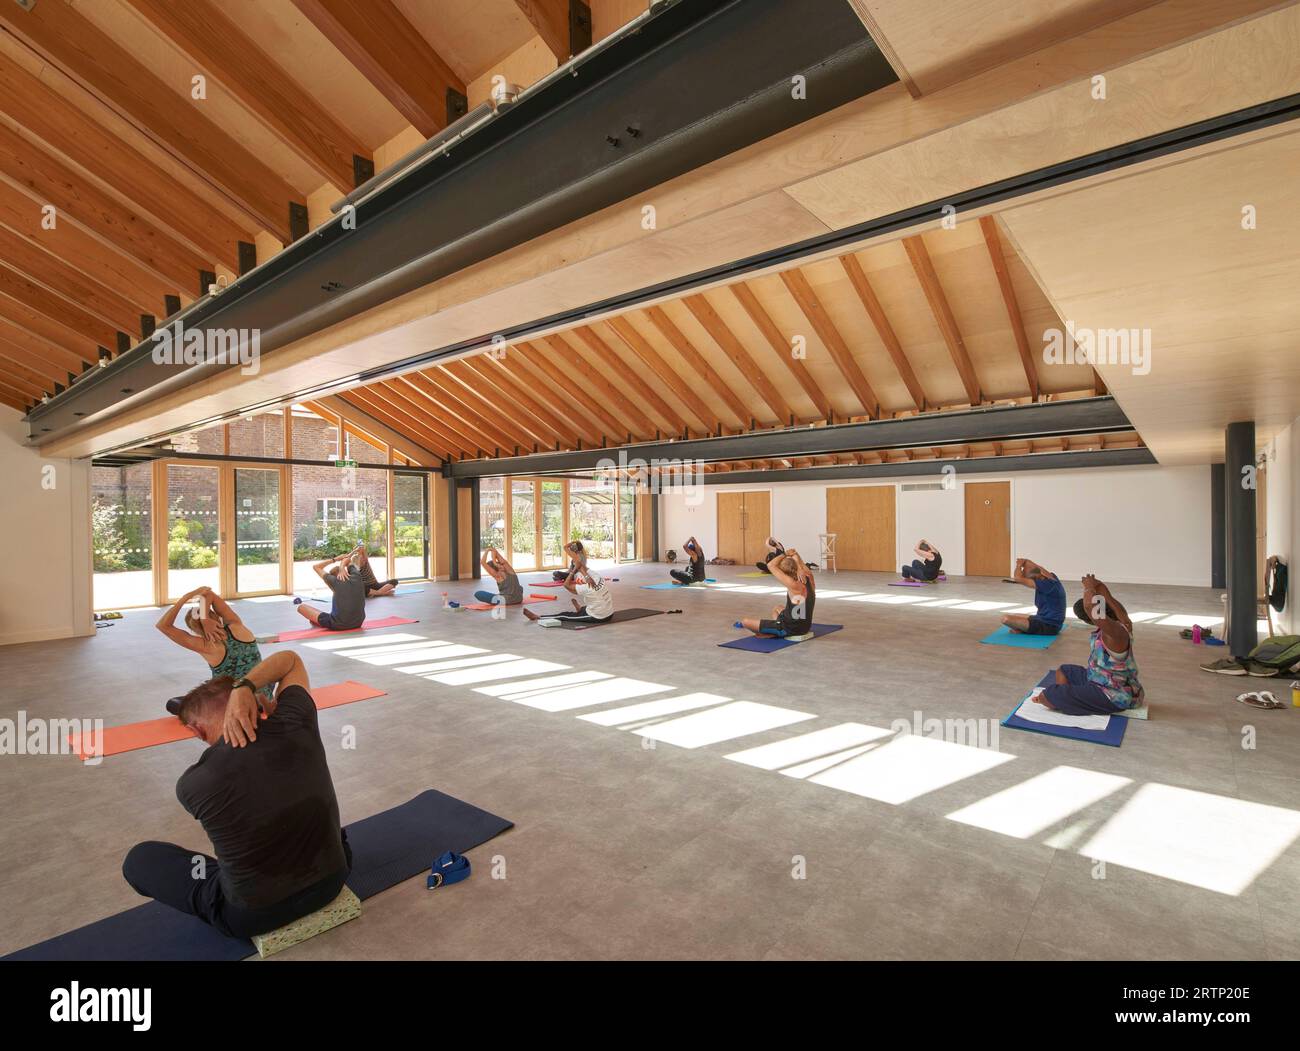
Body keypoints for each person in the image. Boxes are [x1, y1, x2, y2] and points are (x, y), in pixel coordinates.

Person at [122, 649, 352, 939]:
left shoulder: (192, 784)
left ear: (196, 730)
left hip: (253, 916)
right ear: (254, 704)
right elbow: (290, 660)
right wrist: (247, 685)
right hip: (333, 881)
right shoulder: (297, 721)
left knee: (141, 859)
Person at [1031, 574, 1144, 715]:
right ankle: (1069, 699)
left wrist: (1089, 587)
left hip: (1114, 695)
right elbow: (1111, 602)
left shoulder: (1114, 633)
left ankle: (1064, 699)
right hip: (1100, 679)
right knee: (1063, 671)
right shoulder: (1124, 622)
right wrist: (1097, 585)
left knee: (1045, 696)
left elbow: (1090, 606)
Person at [155, 586, 272, 703]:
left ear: (193, 629)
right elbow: (209, 594)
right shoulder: (237, 626)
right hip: (263, 699)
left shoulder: (204, 645)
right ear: (216, 616)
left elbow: (163, 625)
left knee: (176, 703)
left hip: (232, 705)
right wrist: (205, 618)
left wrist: (184, 598)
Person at [524, 541, 614, 627]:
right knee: (591, 598)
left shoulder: (587, 587)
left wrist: (574, 571)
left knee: (565, 615)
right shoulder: (598, 577)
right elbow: (583, 568)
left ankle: (538, 617)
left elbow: (566, 585)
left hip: (599, 616)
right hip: (609, 613)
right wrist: (585, 575)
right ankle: (581, 609)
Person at [740, 548, 815, 637]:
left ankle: (777, 631)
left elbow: (771, 565)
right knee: (777, 608)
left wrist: (785, 554)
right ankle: (776, 628)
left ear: (784, 573)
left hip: (791, 629)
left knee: (745, 622)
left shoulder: (793, 585)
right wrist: (798, 566)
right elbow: (795, 555)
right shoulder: (809, 577)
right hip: (805, 627)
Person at [294, 554, 366, 631]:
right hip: (358, 623)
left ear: (334, 577)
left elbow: (316, 567)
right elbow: (348, 560)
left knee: (301, 607)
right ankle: (320, 620)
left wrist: (335, 559)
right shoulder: (357, 576)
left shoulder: (334, 581)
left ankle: (320, 621)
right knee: (322, 617)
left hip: (339, 625)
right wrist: (342, 566)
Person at [1001, 557, 1067, 636]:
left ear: (1034, 578)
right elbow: (1039, 568)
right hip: (1043, 619)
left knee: (1005, 619)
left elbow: (1018, 578)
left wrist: (1019, 565)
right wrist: (1026, 562)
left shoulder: (1046, 585)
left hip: (1049, 626)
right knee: (1015, 615)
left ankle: (1025, 630)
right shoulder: (1051, 578)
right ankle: (1024, 628)